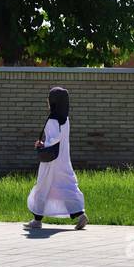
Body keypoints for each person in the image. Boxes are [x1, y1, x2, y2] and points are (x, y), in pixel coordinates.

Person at [26, 86, 87, 230]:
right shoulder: (65, 118)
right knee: (67, 186)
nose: (47, 101)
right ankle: (81, 215)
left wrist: (41, 144)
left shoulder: (53, 119)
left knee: (42, 186)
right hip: (63, 159)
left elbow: (53, 140)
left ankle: (37, 220)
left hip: (51, 160)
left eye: (49, 98)